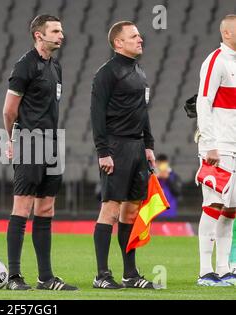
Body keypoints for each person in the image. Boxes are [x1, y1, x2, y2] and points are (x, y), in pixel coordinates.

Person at [2, 14, 77, 291]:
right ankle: (13, 277)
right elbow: (9, 110)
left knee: (46, 208)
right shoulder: (24, 65)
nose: (61, 35)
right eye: (55, 31)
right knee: (22, 206)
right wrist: (14, 139)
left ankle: (46, 278)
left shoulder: (55, 67)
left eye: (61, 30)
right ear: (38, 35)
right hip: (29, 140)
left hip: (52, 142)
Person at [90, 21, 159, 290]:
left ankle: (130, 274)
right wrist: (103, 151)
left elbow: (143, 112)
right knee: (110, 209)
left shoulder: (139, 71)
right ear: (118, 43)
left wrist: (149, 145)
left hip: (137, 148)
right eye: (133, 36)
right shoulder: (106, 73)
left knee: (130, 213)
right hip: (115, 148)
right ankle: (102, 275)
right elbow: (96, 115)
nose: (140, 39)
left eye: (140, 35)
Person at [195, 14, 236, 287]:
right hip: (219, 146)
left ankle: (224, 268)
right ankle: (204, 270)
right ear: (228, 33)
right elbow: (203, 102)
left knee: (231, 209)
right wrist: (209, 144)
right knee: (213, 205)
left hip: (234, 145)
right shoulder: (216, 61)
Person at [155, 154, 182, 218]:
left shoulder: (174, 176)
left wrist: (168, 178)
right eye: (159, 164)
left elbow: (177, 192)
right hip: (156, 213)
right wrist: (155, 178)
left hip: (170, 213)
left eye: (163, 164)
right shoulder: (152, 177)